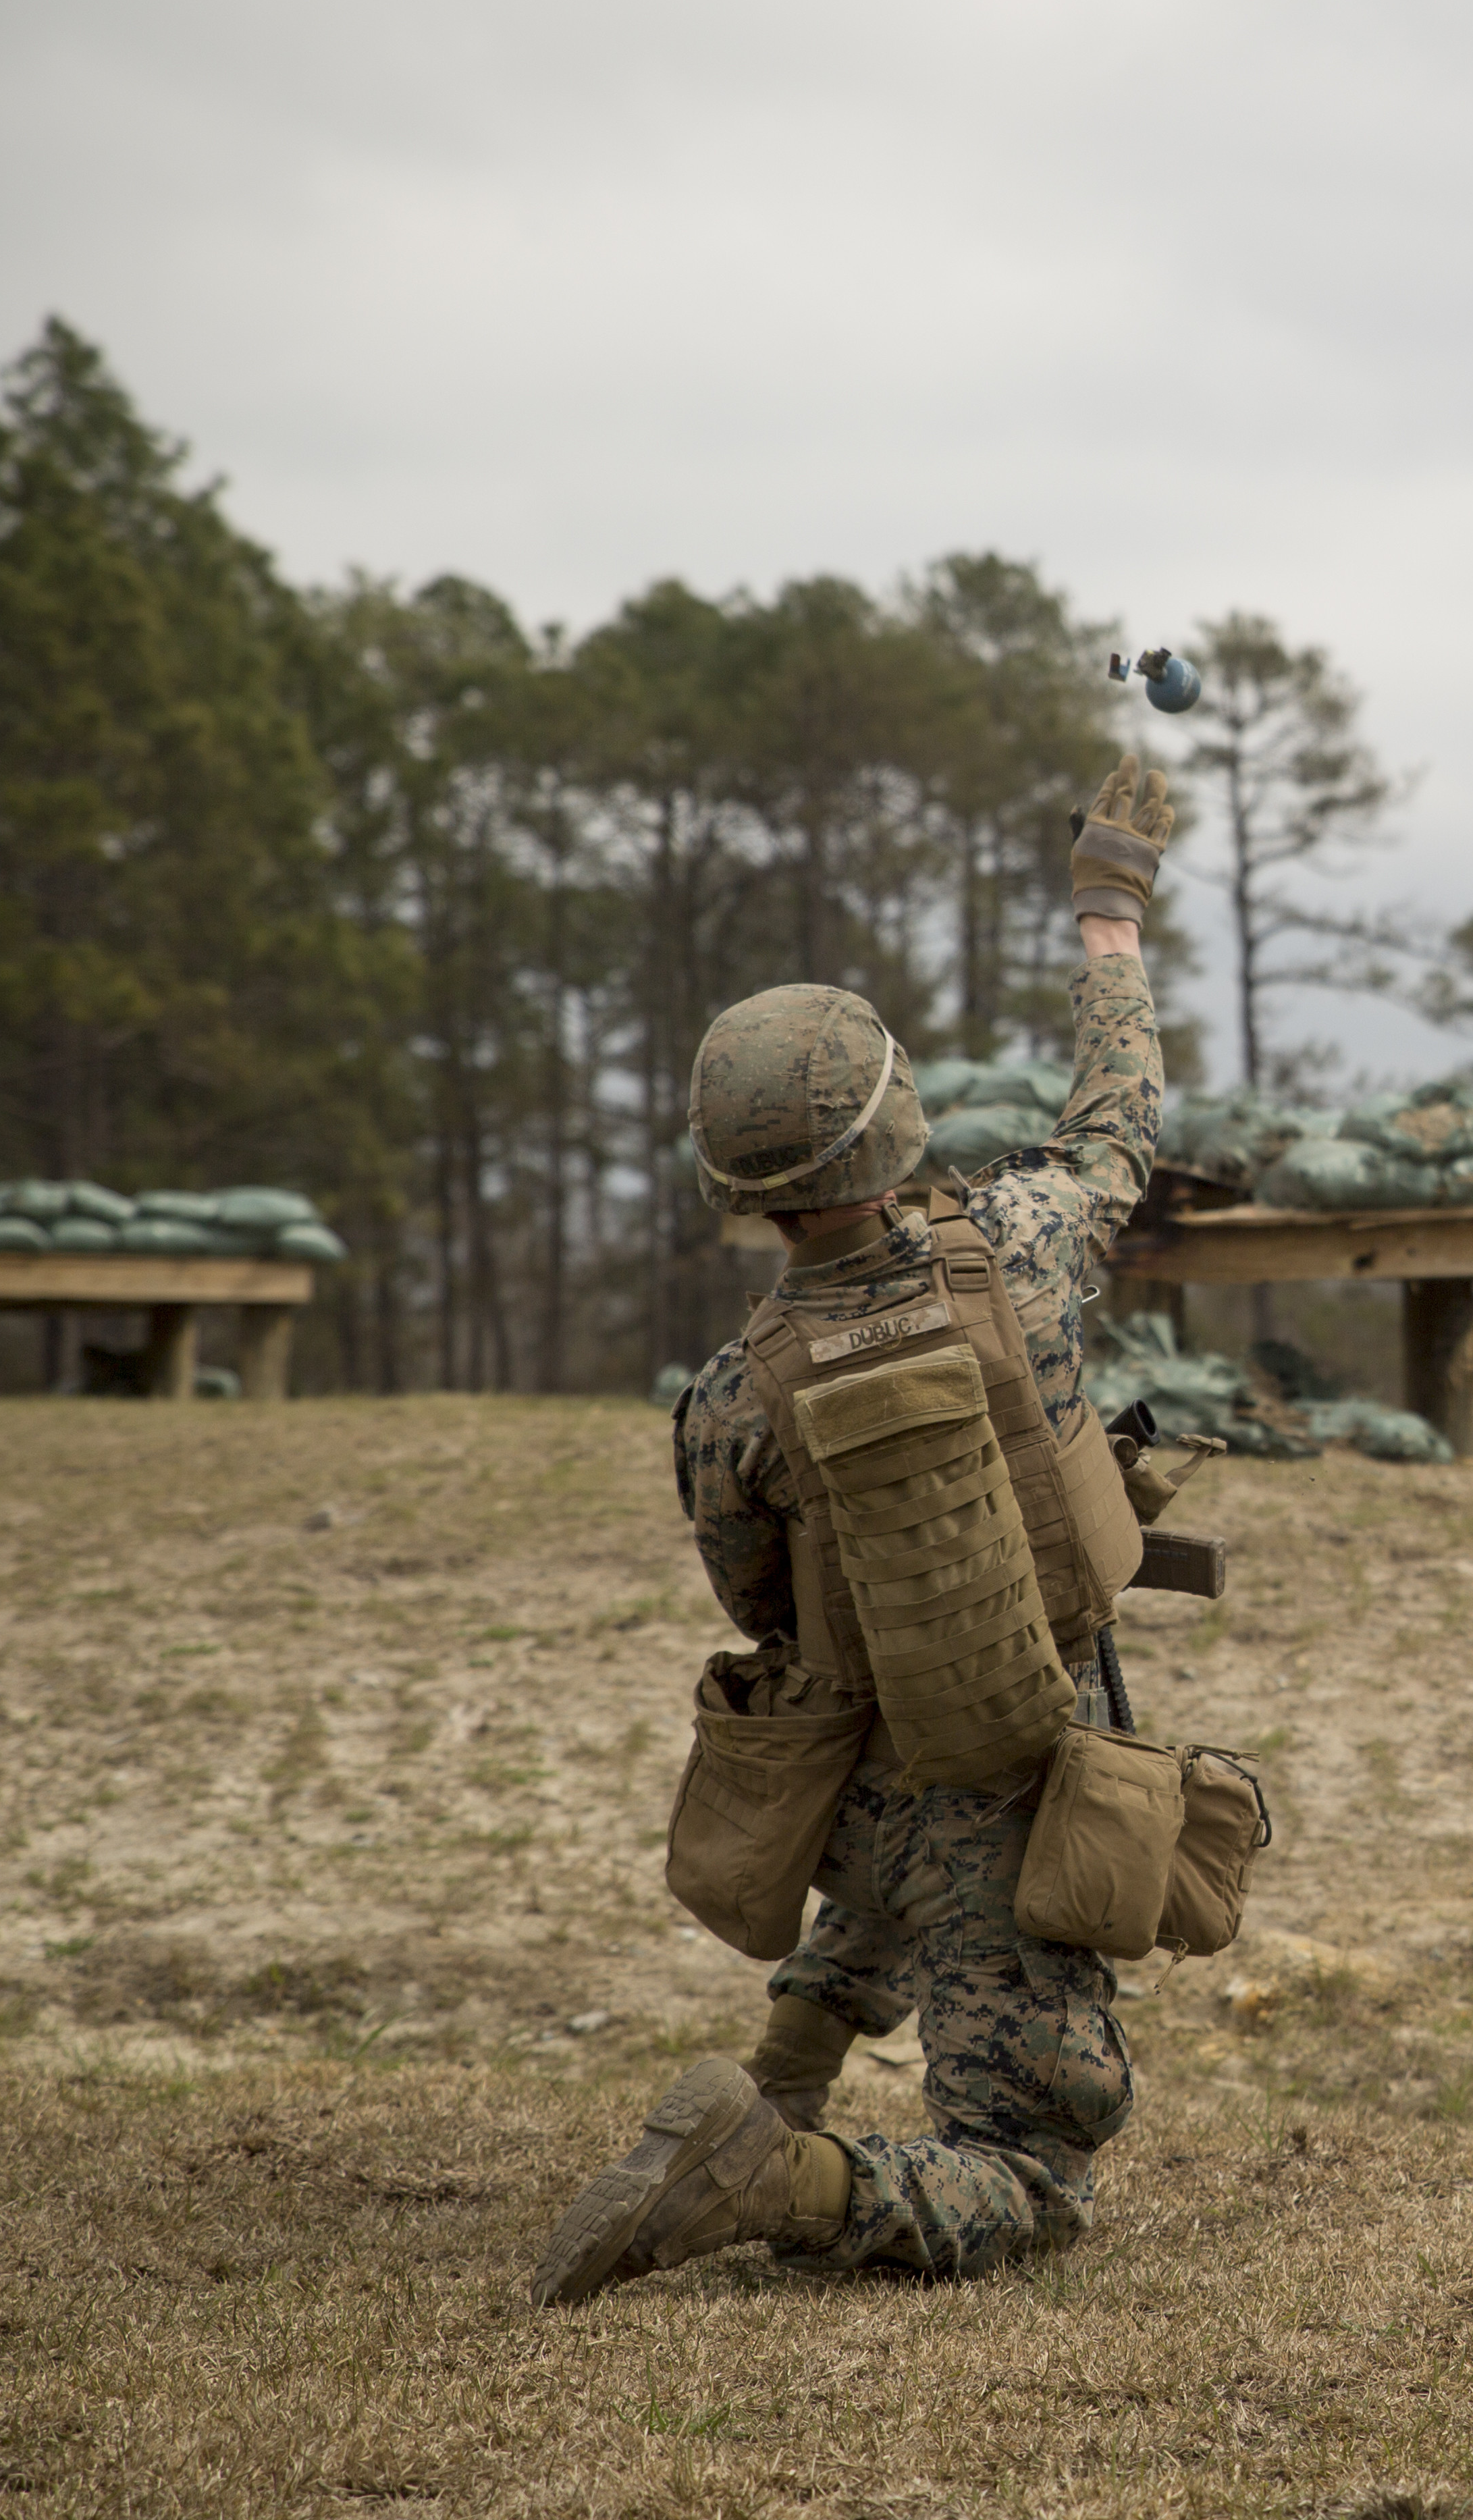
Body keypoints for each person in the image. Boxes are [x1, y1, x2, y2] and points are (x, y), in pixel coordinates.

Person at [530, 747, 1176, 2305]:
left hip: (871, 1783)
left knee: (873, 1781)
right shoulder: (1020, 1246)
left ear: (736, 1185)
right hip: (1033, 1760)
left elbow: (765, 1613)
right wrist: (1110, 915)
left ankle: (785, 2080)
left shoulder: (731, 1397)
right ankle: (771, 2172)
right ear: (901, 1129)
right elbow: (1120, 1121)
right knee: (1030, 2174)